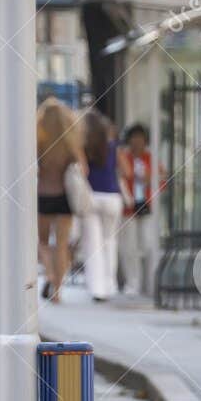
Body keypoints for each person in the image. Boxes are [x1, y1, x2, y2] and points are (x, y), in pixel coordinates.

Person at [37, 96, 86, 303]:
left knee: (43, 241)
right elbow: (84, 169)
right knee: (63, 244)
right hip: (65, 197)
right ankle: (57, 291)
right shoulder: (70, 143)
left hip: (44, 195)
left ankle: (48, 273)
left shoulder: (38, 140)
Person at [81, 109, 123, 301]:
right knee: (110, 242)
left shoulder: (84, 147)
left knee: (93, 244)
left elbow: (81, 171)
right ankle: (110, 284)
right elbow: (127, 171)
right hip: (112, 198)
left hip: (91, 197)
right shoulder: (113, 146)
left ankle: (97, 288)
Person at [118, 122, 157, 296]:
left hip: (147, 207)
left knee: (147, 244)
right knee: (129, 248)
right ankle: (132, 282)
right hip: (128, 209)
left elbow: (160, 180)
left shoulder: (151, 159)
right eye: (134, 138)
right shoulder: (124, 157)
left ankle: (149, 282)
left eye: (140, 138)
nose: (137, 142)